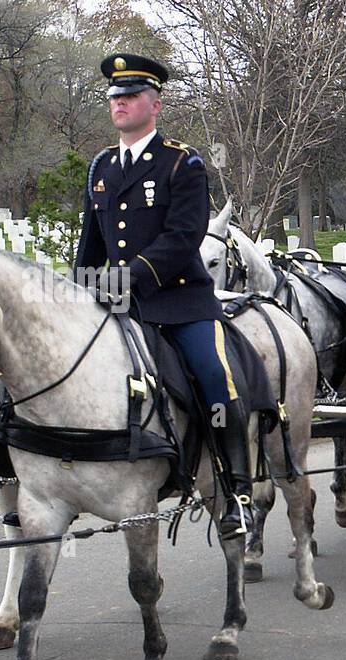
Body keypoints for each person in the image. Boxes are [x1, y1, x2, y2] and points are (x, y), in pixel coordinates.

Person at [74, 53, 252, 541]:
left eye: (130, 96)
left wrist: (130, 277)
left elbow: (183, 235)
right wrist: (78, 289)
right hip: (116, 304)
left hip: (178, 302)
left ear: (155, 103)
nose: (120, 103)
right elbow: (91, 241)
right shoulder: (102, 168)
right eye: (115, 96)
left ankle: (236, 491)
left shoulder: (182, 162)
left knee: (216, 377)